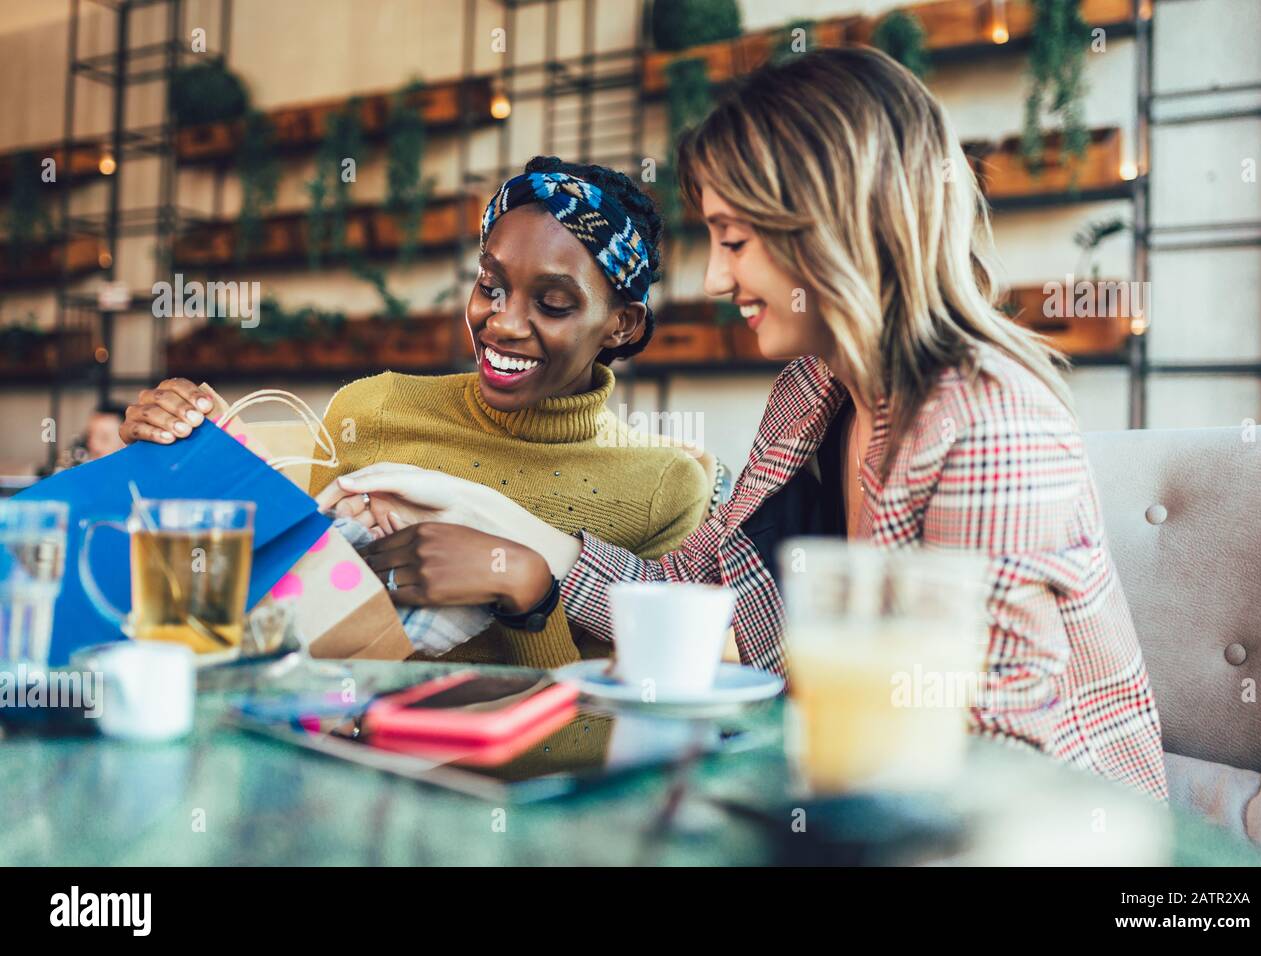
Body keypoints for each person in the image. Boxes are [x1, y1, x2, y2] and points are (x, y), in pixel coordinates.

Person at [322, 48, 1168, 800]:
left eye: (734, 241)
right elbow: (702, 602)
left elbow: (988, 751)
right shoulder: (812, 391)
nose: (720, 280)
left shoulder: (986, 422)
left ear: (830, 225)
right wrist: (521, 560)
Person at [119, 155, 713, 668]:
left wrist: (526, 592)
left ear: (622, 323)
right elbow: (299, 619)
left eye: (554, 303)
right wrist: (186, 450)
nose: (501, 322)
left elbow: (623, 731)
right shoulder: (373, 408)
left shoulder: (663, 488)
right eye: (490, 285)